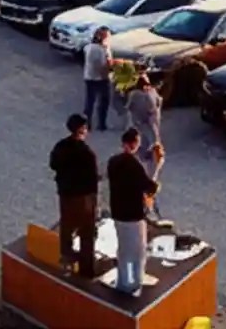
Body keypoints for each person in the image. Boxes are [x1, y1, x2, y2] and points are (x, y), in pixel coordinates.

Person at [107, 128, 162, 297]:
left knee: (123, 250)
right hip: (133, 215)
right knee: (138, 252)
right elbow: (150, 187)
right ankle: (135, 284)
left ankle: (123, 281)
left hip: (117, 212)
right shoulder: (134, 165)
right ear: (134, 144)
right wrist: (158, 164)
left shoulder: (113, 161)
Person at [49, 114, 99, 278]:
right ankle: (87, 270)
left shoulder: (61, 146)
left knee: (67, 227)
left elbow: (53, 164)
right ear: (82, 129)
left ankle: (66, 261)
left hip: (66, 195)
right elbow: (92, 180)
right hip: (84, 198)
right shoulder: (87, 153)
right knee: (87, 234)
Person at [125, 74, 163, 217]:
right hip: (147, 130)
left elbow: (128, 108)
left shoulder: (134, 95)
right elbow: (154, 111)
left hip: (136, 127)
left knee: (140, 156)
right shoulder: (149, 96)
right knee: (149, 163)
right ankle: (147, 202)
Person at [83, 27, 121, 131]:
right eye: (107, 36)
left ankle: (87, 124)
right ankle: (101, 124)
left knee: (89, 102)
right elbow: (105, 66)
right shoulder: (102, 50)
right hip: (101, 79)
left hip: (88, 77)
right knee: (103, 102)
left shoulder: (88, 47)